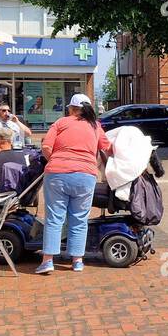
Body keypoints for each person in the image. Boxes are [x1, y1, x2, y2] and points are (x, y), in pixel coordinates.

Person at [36, 94, 114, 274]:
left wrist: (54, 161)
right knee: (79, 220)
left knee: (54, 218)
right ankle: (77, 261)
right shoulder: (95, 126)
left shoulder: (60, 123)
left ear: (71, 108)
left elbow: (46, 148)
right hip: (85, 176)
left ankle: (48, 261)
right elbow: (108, 148)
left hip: (57, 174)